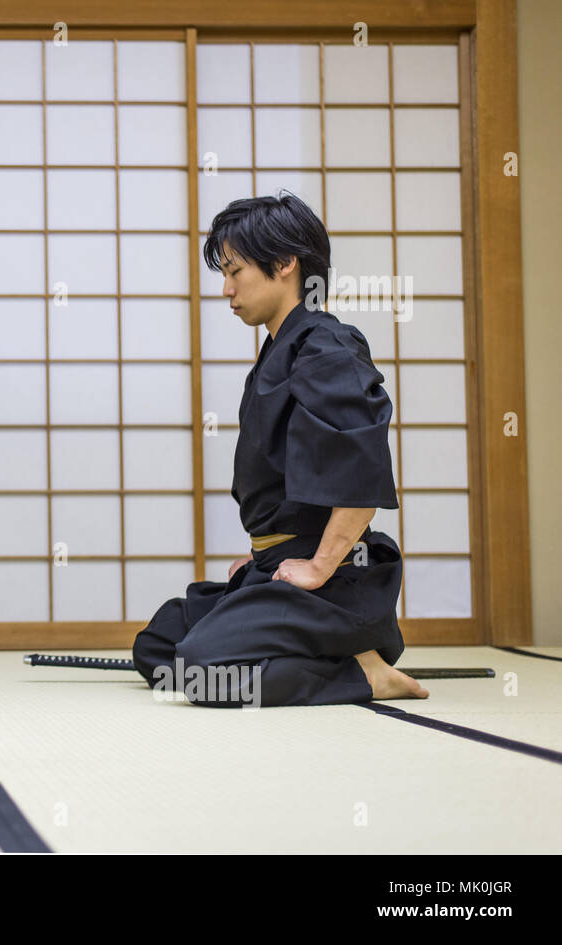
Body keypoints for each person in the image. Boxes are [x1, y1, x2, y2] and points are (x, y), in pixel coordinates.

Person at [132, 192, 428, 708]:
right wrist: (260, 553)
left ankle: (363, 674)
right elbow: (286, 483)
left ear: (286, 263)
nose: (226, 289)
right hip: (276, 565)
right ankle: (344, 655)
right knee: (157, 646)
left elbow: (362, 474)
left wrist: (317, 566)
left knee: (204, 668)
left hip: (333, 578)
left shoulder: (327, 346)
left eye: (235, 271)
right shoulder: (283, 347)